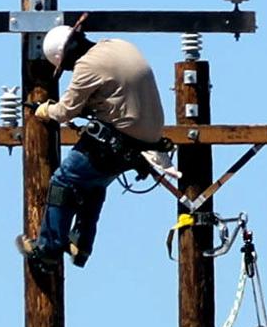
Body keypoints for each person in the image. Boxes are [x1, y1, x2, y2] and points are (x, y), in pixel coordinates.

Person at [17, 15, 176, 272]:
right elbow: (116, 94)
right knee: (92, 184)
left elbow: (65, 111)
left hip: (117, 140)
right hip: (145, 141)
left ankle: (48, 248)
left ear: (67, 56)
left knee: (64, 180)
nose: (69, 70)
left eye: (65, 67)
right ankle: (81, 242)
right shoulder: (116, 45)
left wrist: (43, 111)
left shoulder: (86, 67)